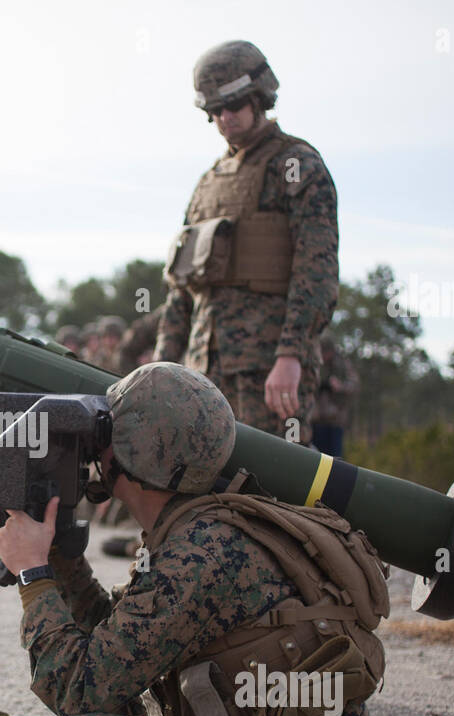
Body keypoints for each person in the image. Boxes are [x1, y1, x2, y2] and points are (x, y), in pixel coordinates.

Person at [0, 363, 386, 716]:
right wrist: (63, 560)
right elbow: (119, 647)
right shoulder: (201, 526)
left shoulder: (200, 555)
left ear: (133, 457)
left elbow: (79, 688)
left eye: (106, 433)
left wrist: (32, 575)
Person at [154, 40, 339, 447]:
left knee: (273, 489)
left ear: (259, 97)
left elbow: (317, 272)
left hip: (268, 369)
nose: (224, 118)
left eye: (233, 106)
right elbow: (181, 291)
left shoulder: (296, 166)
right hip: (202, 372)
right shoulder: (209, 183)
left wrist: (290, 355)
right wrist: (161, 369)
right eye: (214, 111)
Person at [313, 333, 360, 457]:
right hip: (315, 420)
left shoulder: (343, 364)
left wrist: (340, 387)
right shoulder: (313, 361)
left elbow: (354, 385)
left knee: (334, 462)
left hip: (335, 421)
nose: (324, 356)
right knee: (314, 459)